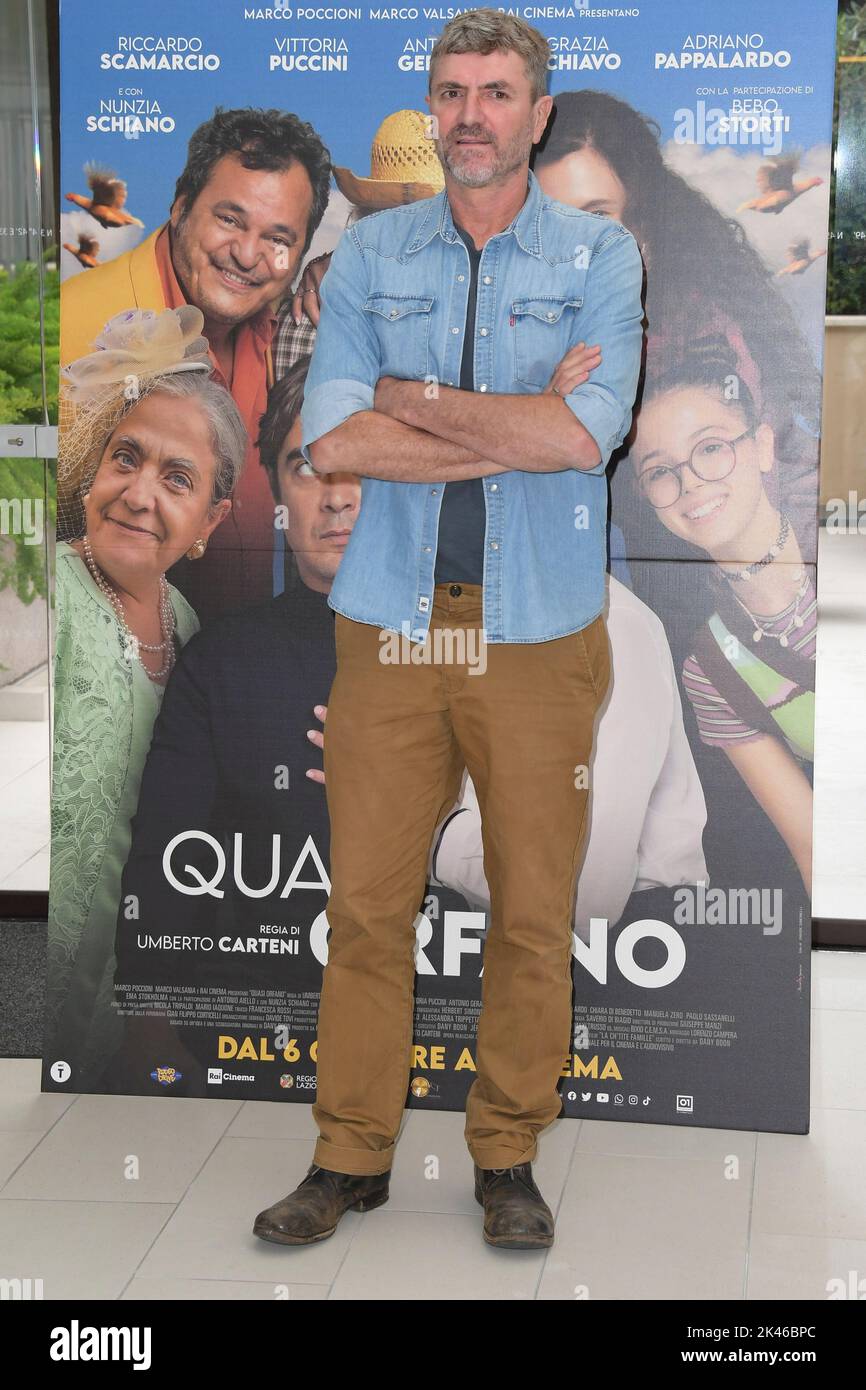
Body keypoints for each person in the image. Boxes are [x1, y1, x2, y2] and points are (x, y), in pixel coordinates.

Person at [253, 10, 644, 1251]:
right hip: (391, 629)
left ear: (537, 114)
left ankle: (507, 1154)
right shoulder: (368, 258)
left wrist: (411, 399)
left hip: (533, 633)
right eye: (449, 91)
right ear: (433, 110)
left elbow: (580, 438)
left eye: (494, 92)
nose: (468, 113)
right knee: (367, 909)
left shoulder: (601, 258)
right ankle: (347, 1155)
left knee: (531, 910)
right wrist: (502, 411)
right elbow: (333, 437)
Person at [45, 308, 247, 1090]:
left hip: (117, 989)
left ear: (210, 521)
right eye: (125, 458)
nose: (137, 493)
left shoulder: (188, 626)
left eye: (177, 479)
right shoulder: (40, 596)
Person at [60, 107, 332, 621]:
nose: (249, 255)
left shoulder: (288, 325)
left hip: (240, 670)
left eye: (279, 239)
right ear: (181, 207)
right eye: (229, 219)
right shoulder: (74, 333)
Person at [630, 333, 815, 896]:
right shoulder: (711, 671)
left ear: (762, 447)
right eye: (661, 471)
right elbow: (814, 845)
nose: (690, 484)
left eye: (710, 448)